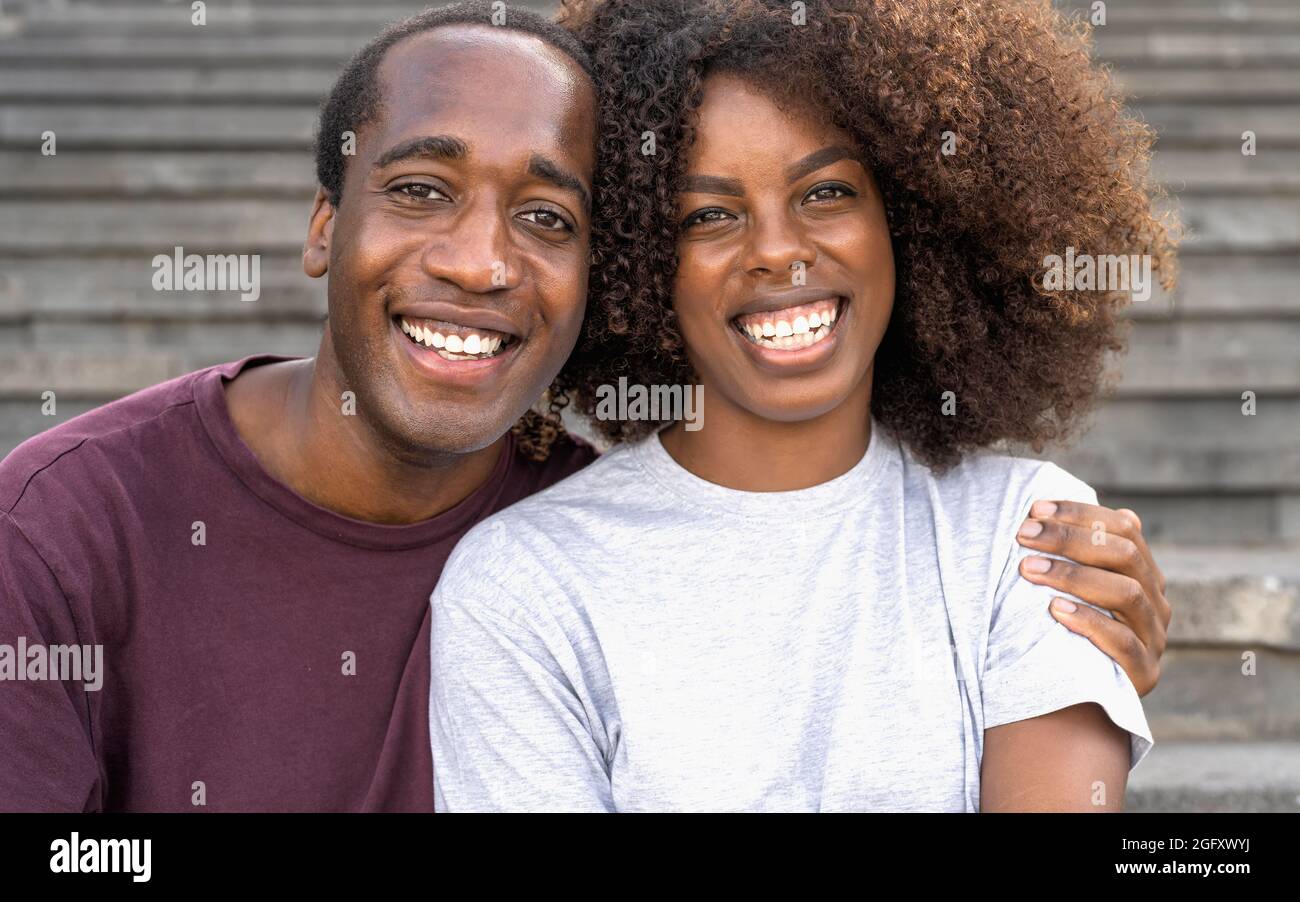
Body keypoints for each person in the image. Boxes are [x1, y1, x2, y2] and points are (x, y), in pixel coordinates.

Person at [428, 0, 1178, 812]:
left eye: (825, 193)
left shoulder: (1028, 533)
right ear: (638, 261)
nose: (779, 251)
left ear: (912, 221)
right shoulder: (522, 584)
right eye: (707, 215)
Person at [0, 3, 598, 811]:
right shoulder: (59, 528)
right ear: (324, 227)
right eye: (420, 190)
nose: (481, 264)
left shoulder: (609, 544)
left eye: (544, 217)